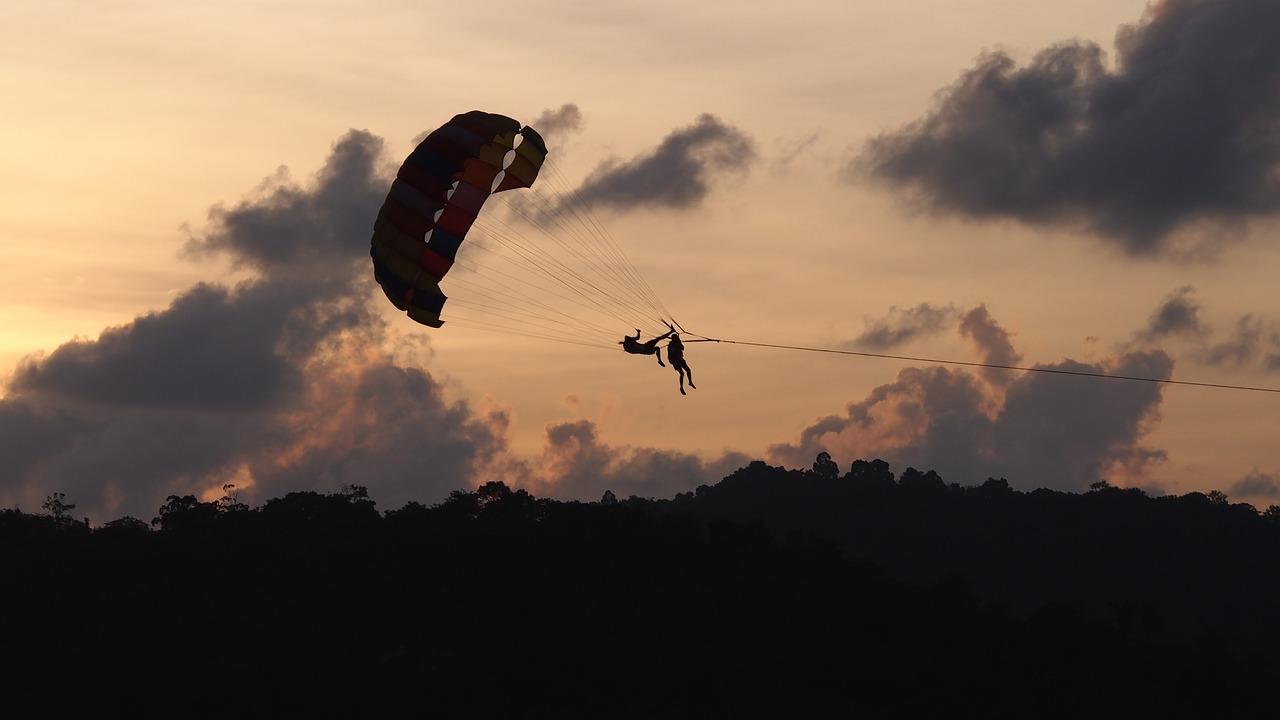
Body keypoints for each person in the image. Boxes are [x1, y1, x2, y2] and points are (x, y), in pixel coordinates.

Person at [666, 331, 696, 395]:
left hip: (680, 359)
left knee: (688, 370)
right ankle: (681, 387)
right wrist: (676, 346)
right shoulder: (671, 345)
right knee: (682, 373)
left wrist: (679, 343)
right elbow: (672, 352)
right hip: (675, 361)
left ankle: (690, 382)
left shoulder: (678, 343)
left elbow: (682, 348)